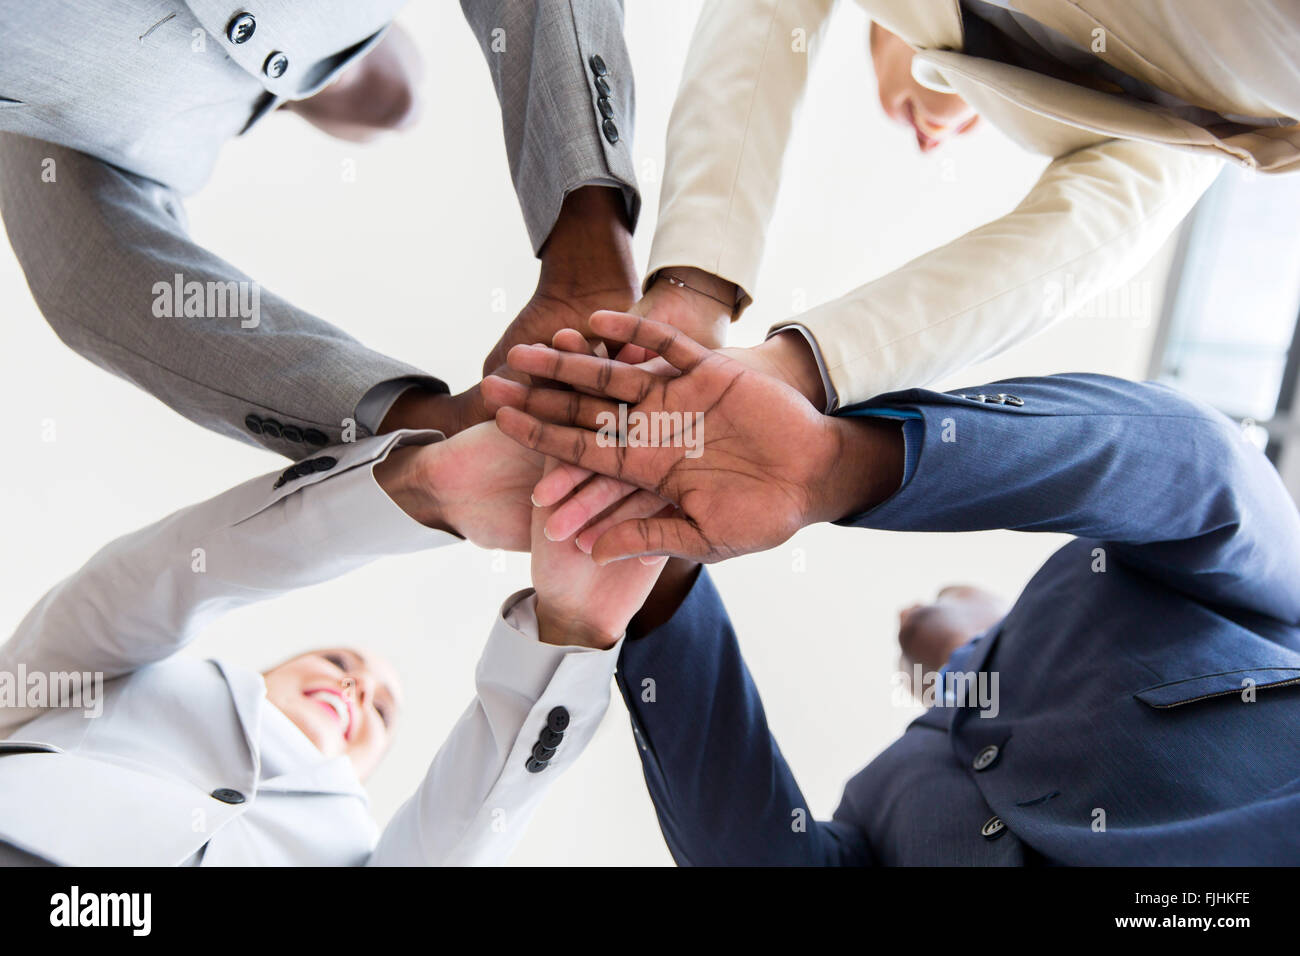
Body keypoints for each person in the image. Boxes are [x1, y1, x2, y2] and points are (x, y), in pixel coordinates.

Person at [486, 313, 1300, 864]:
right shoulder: (1183, 602)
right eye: (931, 609)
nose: (912, 618)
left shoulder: (883, 794)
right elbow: (1205, 474)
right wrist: (839, 465)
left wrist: (656, 586)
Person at [0, 420, 669, 866]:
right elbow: (149, 580)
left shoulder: (353, 846)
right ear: (266, 672)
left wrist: (570, 629)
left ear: (365, 777)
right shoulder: (110, 681)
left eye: (379, 712)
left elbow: (459, 838)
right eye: (338, 663)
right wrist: (421, 492)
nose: (356, 687)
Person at [0, 1, 651, 452]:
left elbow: (83, 270)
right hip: (97, 104)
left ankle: (325, 73)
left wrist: (589, 242)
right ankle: (320, 75)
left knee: (398, 98)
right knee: (397, 98)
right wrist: (416, 423)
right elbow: (87, 271)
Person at [620, 0, 1299, 420]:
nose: (927, 130)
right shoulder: (1142, 137)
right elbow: (1077, 245)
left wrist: (695, 284)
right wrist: (788, 368)